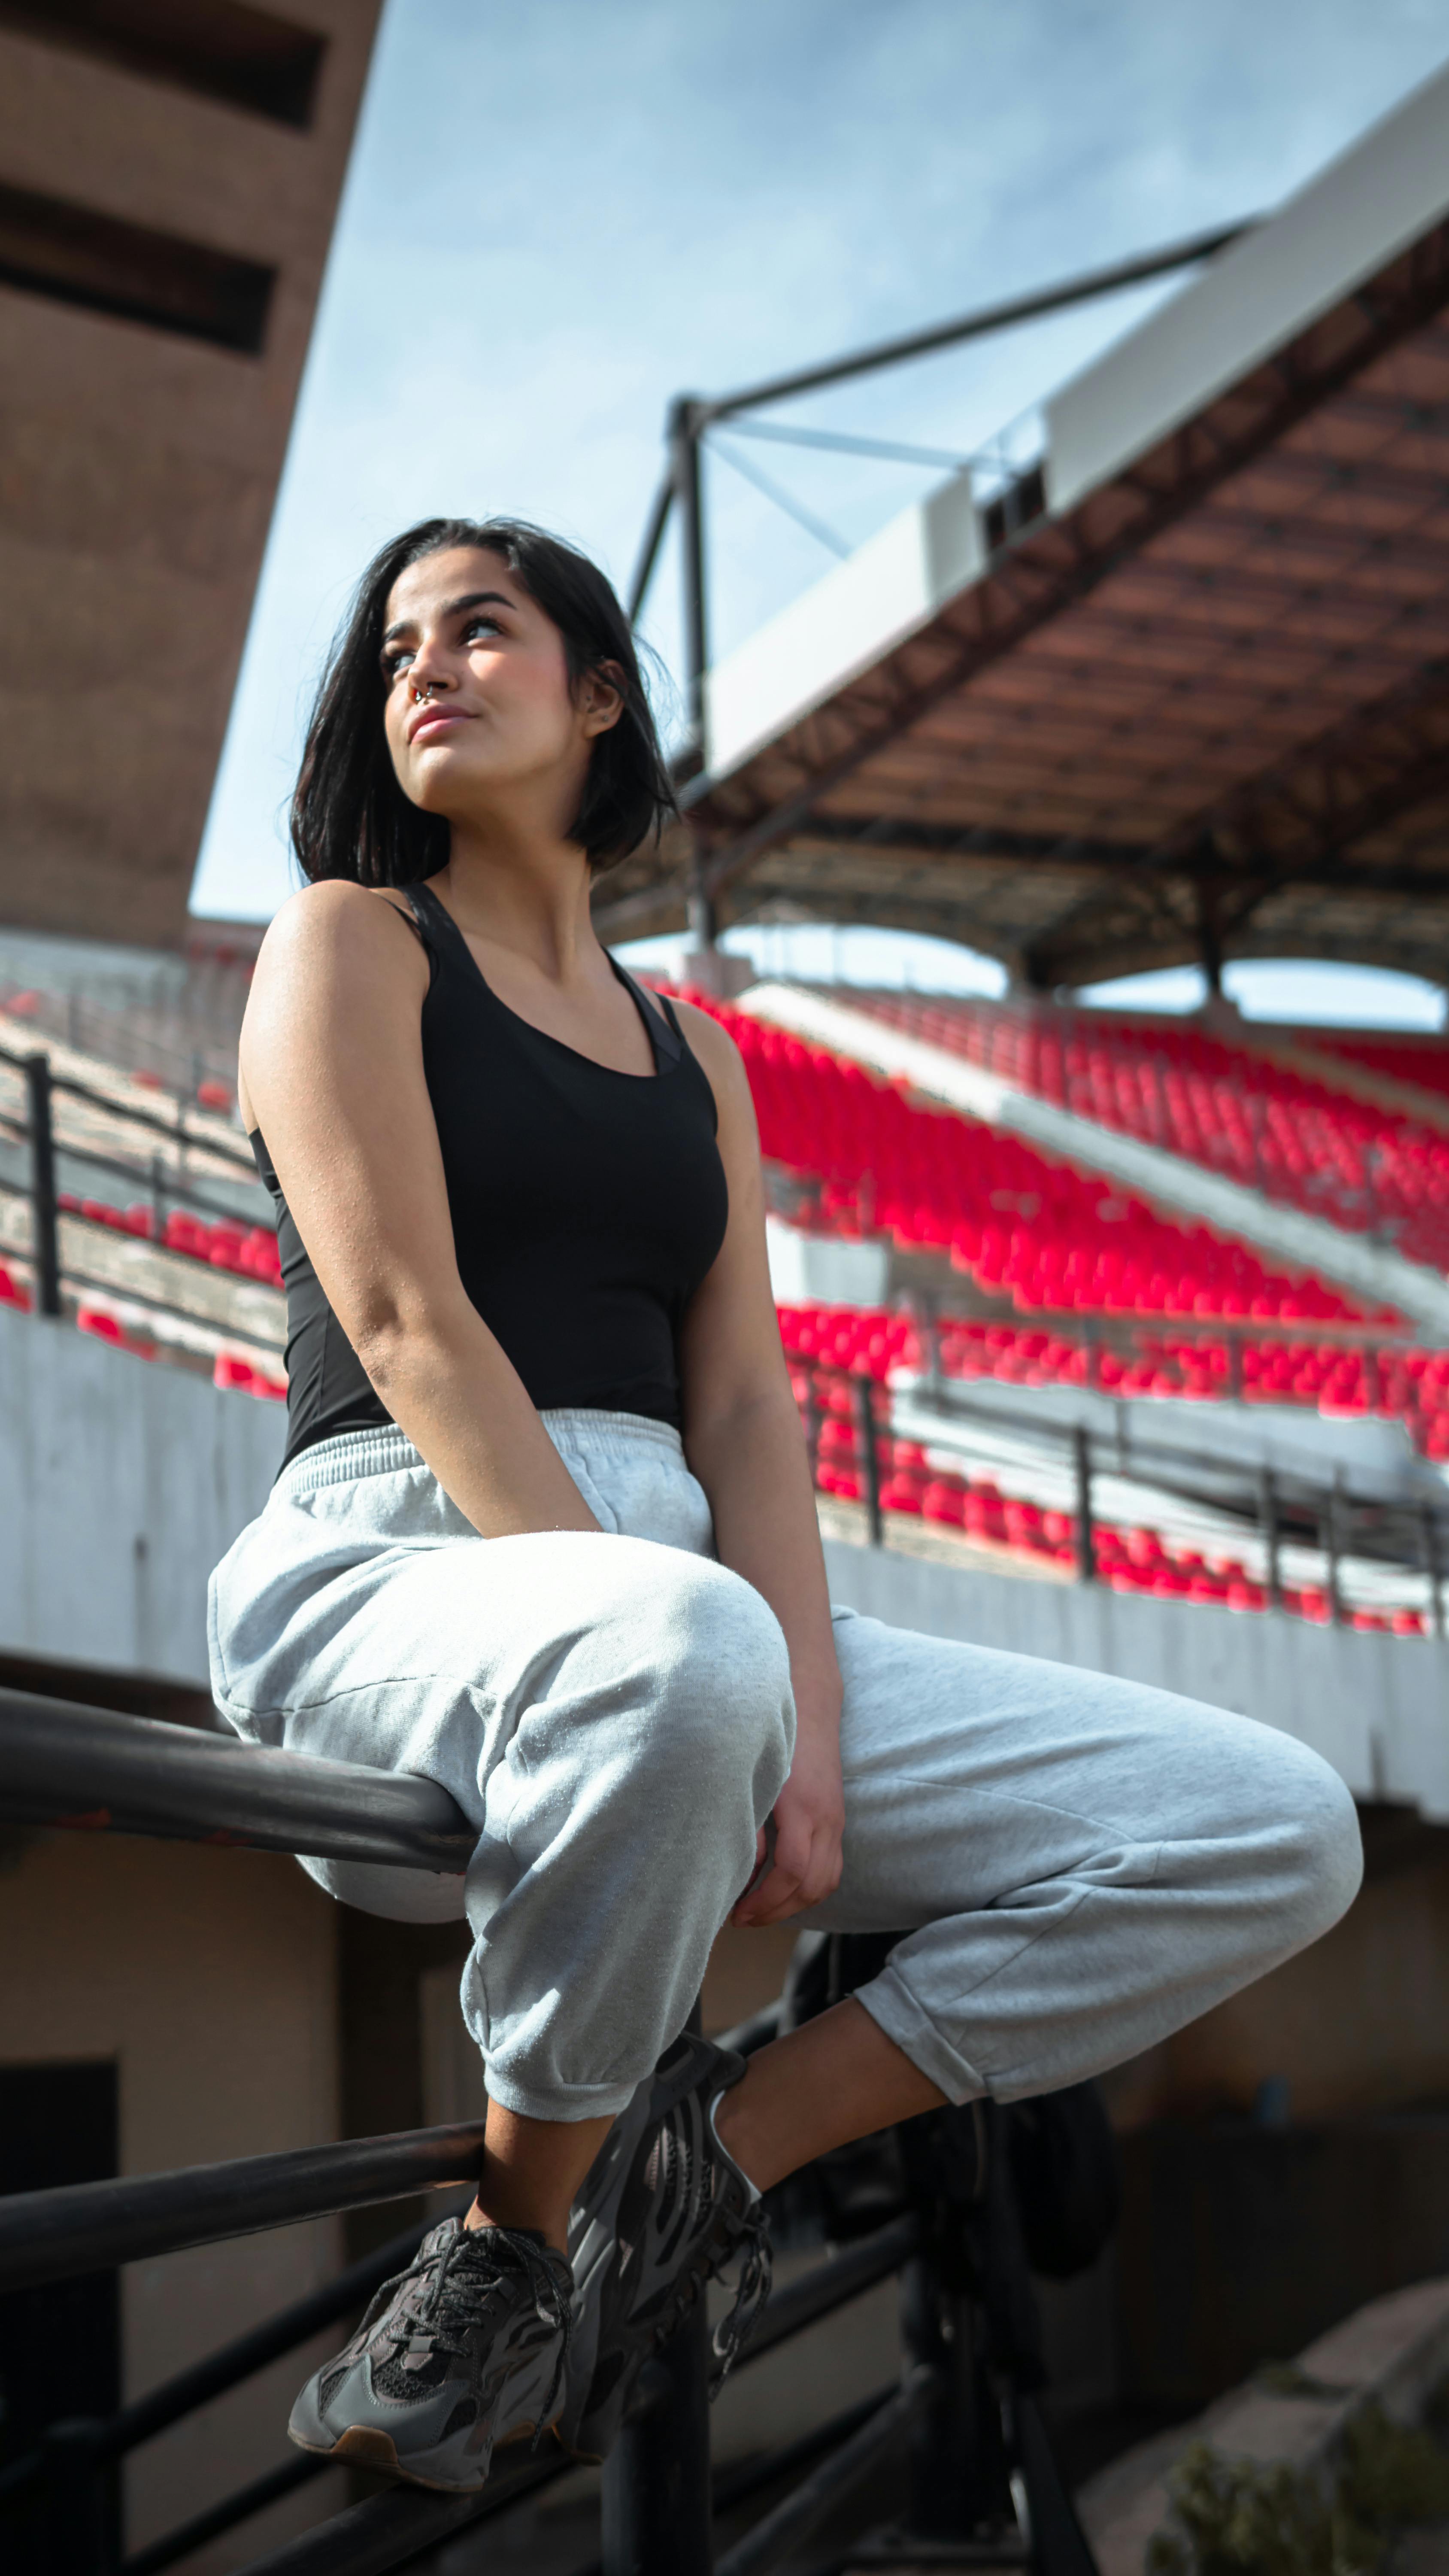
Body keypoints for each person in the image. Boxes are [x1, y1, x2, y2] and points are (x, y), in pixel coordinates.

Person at [209, 514, 1362, 2495]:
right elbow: (404, 1320)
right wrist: (705, 1657)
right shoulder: (348, 940)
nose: (422, 667)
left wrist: (805, 1735)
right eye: (394, 642)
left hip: (677, 1615)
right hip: (400, 1565)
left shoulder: (699, 1061)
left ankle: (718, 2158)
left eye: (478, 629)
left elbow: (748, 1406)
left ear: (595, 695)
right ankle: (506, 2245)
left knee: (1271, 1828)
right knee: (685, 1646)